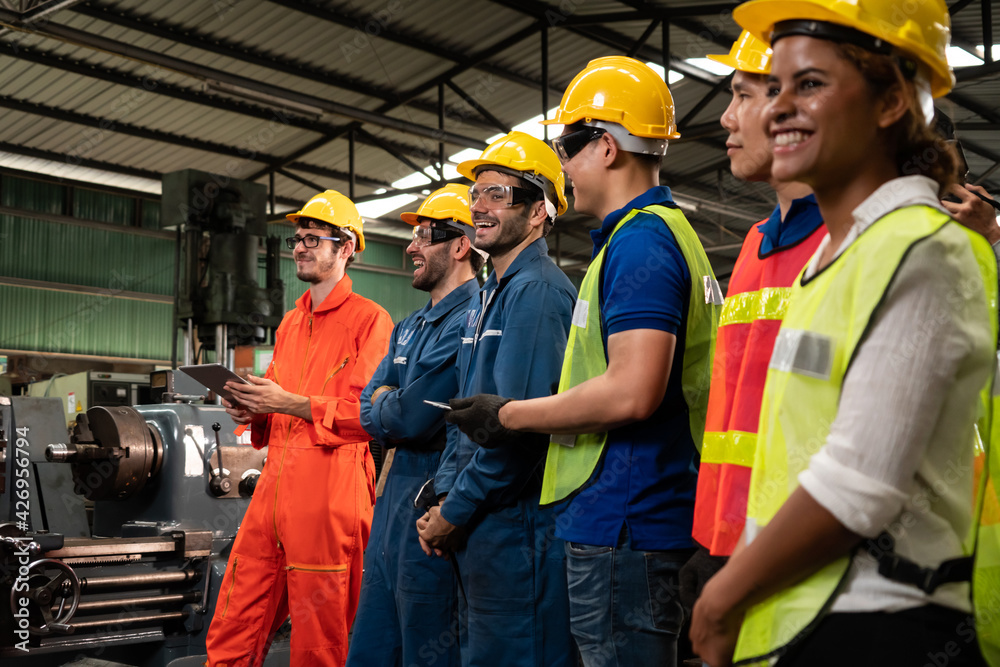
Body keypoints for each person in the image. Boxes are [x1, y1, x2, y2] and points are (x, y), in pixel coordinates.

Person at [690, 1, 1000, 665]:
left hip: (883, 623)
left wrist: (720, 602)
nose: (776, 109)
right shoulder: (832, 262)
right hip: (800, 617)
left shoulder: (924, 250)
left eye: (808, 84)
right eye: (774, 86)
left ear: (890, 100)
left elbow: (859, 483)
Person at [445, 56, 721, 666]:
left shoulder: (641, 240)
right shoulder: (656, 235)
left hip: (626, 519)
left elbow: (632, 392)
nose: (563, 167)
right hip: (636, 517)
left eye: (567, 149)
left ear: (605, 146)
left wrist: (508, 415)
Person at [205, 190, 393, 666]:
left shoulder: (371, 321)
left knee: (320, 634)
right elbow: (284, 405)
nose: (301, 248)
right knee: (237, 608)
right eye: (297, 239)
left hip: (330, 494)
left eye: (314, 238)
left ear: (345, 248)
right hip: (274, 489)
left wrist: (287, 401)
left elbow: (366, 416)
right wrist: (254, 410)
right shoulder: (290, 322)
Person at [415, 131, 577, 667]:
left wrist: (454, 510)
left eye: (499, 195)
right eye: (476, 195)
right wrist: (442, 496)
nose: (479, 207)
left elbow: (516, 432)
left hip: (516, 528)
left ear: (538, 214)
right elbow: (470, 417)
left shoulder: (537, 292)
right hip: (481, 525)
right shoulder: (491, 294)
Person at [681, 31, 826, 607]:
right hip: (743, 550)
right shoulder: (755, 243)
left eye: (742, 95)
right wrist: (714, 541)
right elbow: (740, 416)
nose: (725, 117)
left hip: (814, 567)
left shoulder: (853, 243)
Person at [346, 184, 483, 667]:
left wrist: (389, 406)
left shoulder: (473, 317)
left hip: (429, 497)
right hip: (389, 505)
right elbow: (370, 406)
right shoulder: (409, 326)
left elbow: (413, 416)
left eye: (424, 235)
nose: (410, 247)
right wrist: (388, 408)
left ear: (461, 245)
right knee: (373, 641)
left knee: (428, 639)